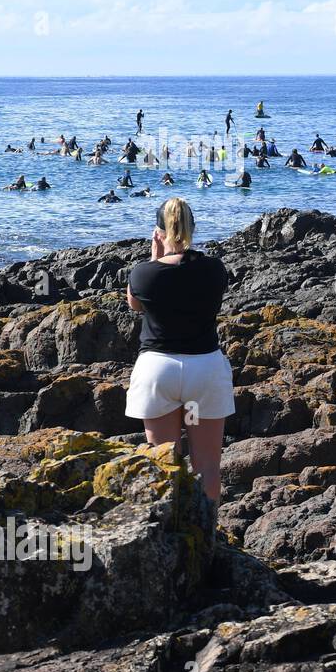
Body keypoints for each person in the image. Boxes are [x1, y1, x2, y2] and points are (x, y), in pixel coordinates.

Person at [124, 198, 233, 503]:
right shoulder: (213, 269)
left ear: (157, 233)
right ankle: (206, 533)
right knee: (207, 467)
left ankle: (169, 535)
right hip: (205, 370)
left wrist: (154, 257)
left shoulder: (143, 274)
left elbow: (135, 305)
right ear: (192, 229)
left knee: (164, 464)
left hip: (159, 370)